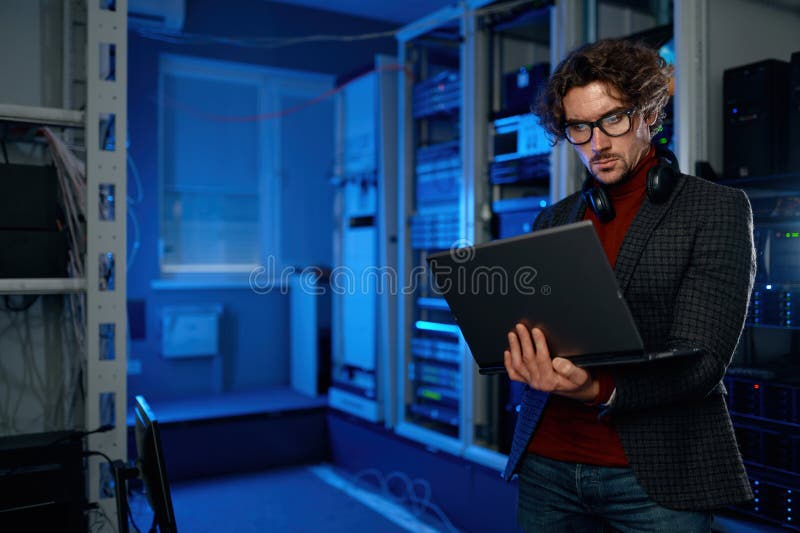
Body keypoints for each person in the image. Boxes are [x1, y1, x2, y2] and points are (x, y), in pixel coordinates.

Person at [502, 38, 756, 532]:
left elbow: (702, 360)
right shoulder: (553, 220)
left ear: (650, 115)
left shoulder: (716, 210)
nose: (596, 144)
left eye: (613, 120)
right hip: (546, 465)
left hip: (656, 477)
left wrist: (597, 389)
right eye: (579, 127)